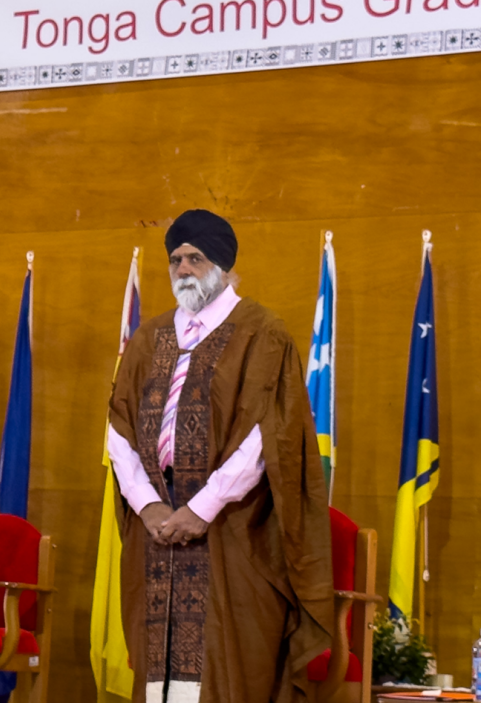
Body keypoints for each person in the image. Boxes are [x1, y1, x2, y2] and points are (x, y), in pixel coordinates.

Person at [107, 209, 333, 703]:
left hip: (233, 525)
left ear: (224, 266)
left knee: (228, 668)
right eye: (176, 260)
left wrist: (202, 508)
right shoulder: (149, 337)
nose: (184, 269)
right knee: (156, 665)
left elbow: (265, 436)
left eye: (196, 258)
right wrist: (147, 504)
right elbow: (119, 429)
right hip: (156, 526)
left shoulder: (261, 332)